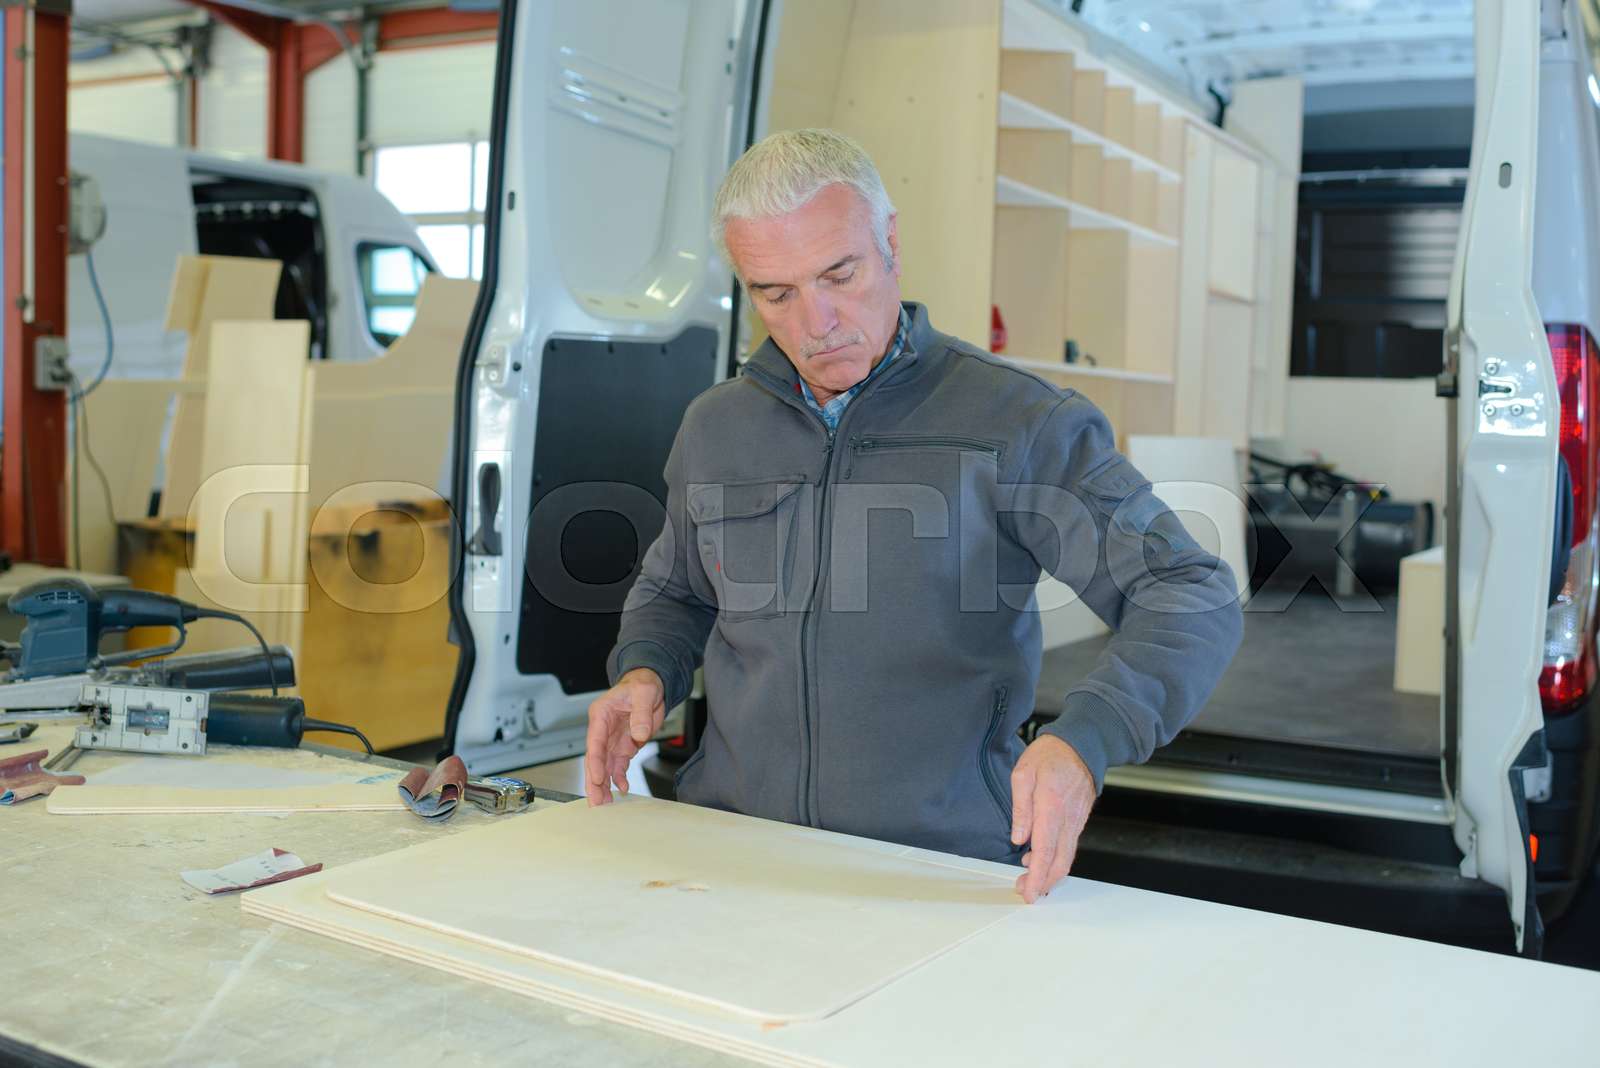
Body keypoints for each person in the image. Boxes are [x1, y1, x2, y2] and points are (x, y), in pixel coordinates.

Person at [585, 128, 1242, 903]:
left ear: (890, 242)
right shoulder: (716, 426)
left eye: (839, 273)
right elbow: (678, 591)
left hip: (936, 874)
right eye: (776, 293)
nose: (816, 322)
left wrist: (1084, 739)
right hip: (730, 854)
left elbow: (1188, 589)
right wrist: (644, 668)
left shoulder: (1017, 422)